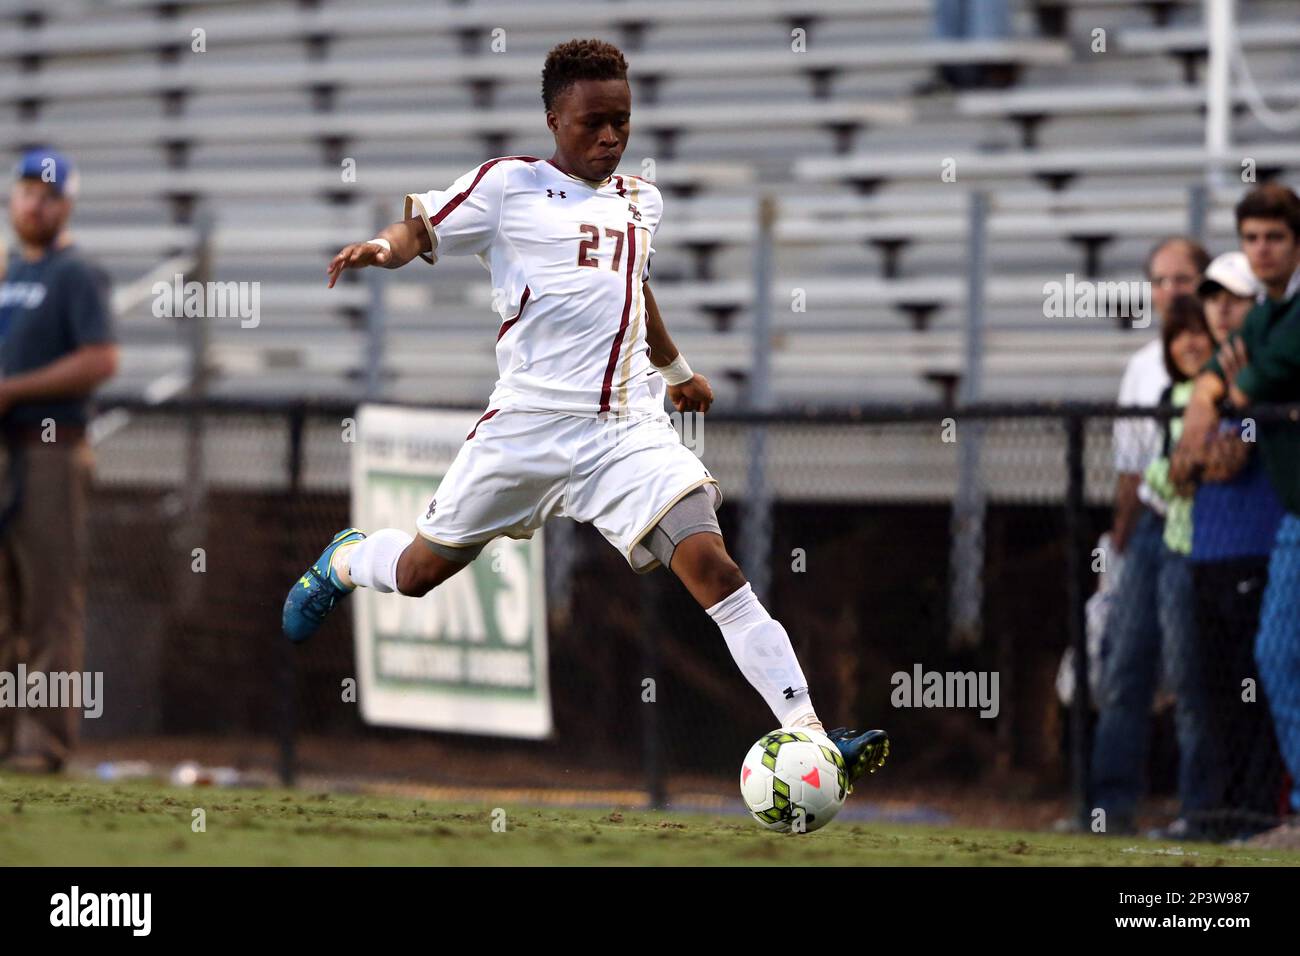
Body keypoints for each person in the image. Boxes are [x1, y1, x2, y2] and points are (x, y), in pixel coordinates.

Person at [280, 39, 889, 793]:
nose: (610, 137)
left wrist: (676, 372)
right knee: (417, 573)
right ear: (553, 119)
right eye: (593, 123)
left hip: (625, 434)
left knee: (715, 567)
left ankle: (812, 737)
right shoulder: (508, 187)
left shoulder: (642, 200)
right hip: (527, 429)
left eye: (622, 122)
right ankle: (344, 559)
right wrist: (379, 246)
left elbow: (633, 289)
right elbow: (421, 230)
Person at [1180, 183, 1300, 836]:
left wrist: (1218, 398)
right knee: (1275, 658)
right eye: (1251, 238)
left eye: (1275, 238)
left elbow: (1238, 391)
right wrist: (1210, 397)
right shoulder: (1264, 317)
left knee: (1277, 656)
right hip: (1294, 517)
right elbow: (1215, 382)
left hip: (1280, 517)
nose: (1261, 250)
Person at [0, 148, 118, 773]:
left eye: (46, 195)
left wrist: (15, 391)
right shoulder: (10, 270)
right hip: (4, 454)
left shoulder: (76, 274)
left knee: (48, 603)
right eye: (25, 192)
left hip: (49, 450)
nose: (34, 204)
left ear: (65, 205)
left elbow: (101, 359)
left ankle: (42, 743)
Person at [1088, 237, 1209, 834]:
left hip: (1202, 524)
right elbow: (1131, 470)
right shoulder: (1142, 365)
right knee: (1124, 667)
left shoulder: (1219, 360)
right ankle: (1109, 806)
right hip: (1152, 527)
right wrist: (1120, 540)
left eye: (1182, 280)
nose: (1170, 292)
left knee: (1193, 673)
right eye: (1159, 281)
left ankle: (1201, 808)